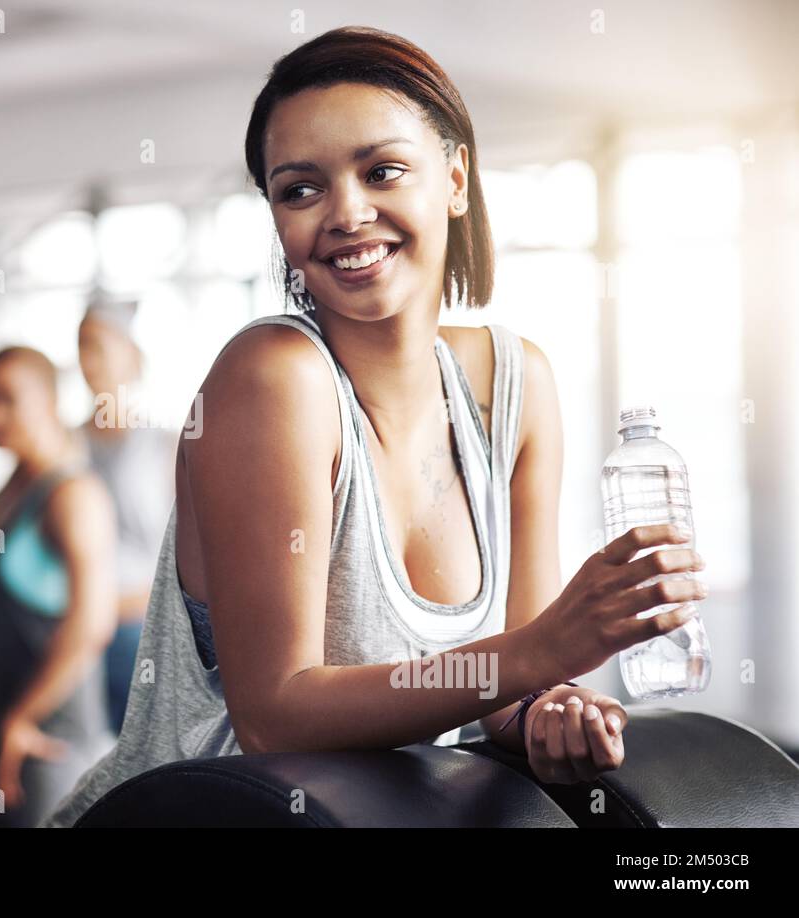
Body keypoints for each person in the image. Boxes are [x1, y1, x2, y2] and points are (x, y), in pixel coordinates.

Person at [42, 26, 708, 827]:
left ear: (455, 178)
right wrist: (546, 651)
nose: (348, 214)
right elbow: (277, 715)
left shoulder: (516, 386)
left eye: (382, 170)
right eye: (300, 189)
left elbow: (513, 690)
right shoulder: (271, 377)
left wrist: (548, 712)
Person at [0, 345, 118, 827]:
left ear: (48, 403)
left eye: (6, 399)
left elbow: (91, 626)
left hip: (45, 740)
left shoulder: (73, 496)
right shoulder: (3, 494)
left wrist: (20, 719)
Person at [75, 298, 177, 735]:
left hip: (136, 628)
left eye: (98, 345)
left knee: (138, 761)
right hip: (74, 628)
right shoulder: (66, 445)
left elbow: (182, 558)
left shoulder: (164, 446)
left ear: (131, 353)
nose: (87, 360)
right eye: (81, 347)